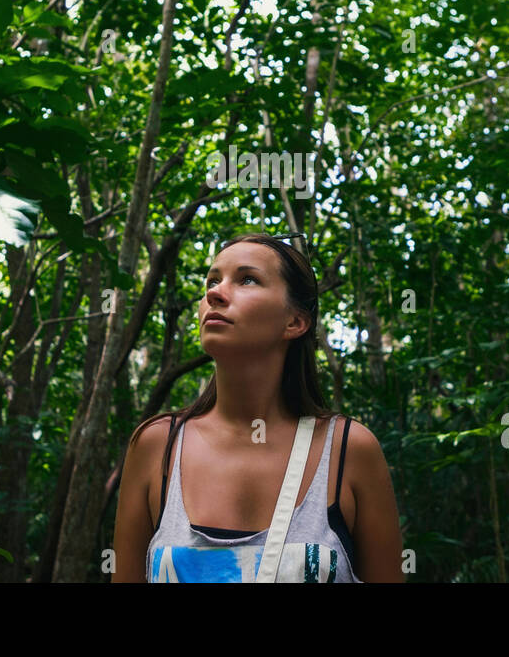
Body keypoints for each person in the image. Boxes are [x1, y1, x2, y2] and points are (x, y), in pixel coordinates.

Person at [112, 232, 404, 582]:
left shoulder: (348, 450)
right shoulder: (156, 446)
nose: (214, 293)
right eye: (213, 280)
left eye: (247, 279)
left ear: (294, 322)